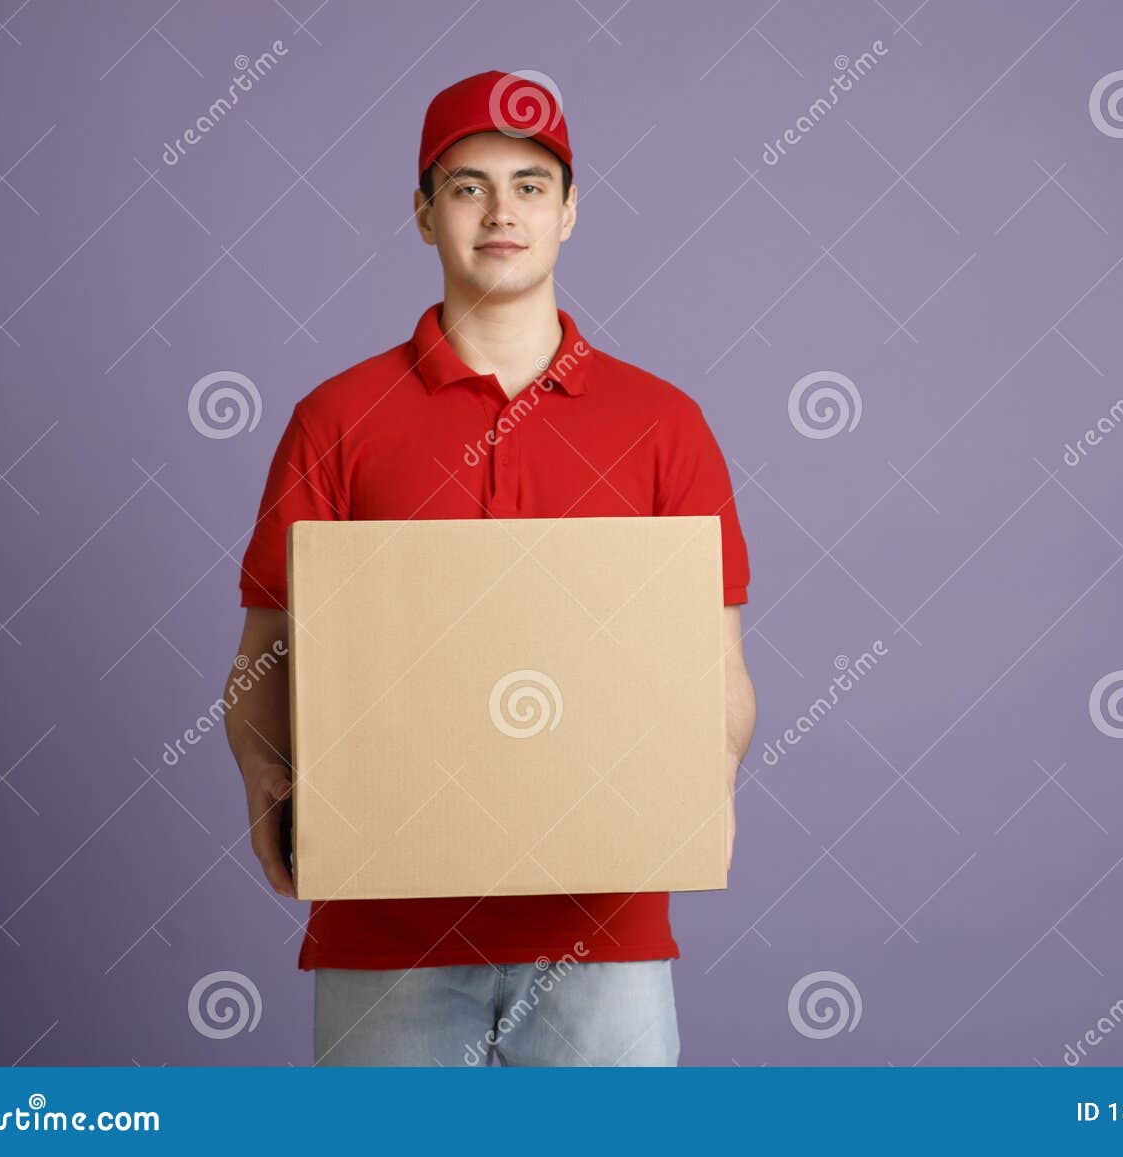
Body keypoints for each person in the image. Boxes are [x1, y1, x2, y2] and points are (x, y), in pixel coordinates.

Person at [222, 70, 755, 1067]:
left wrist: (687, 803)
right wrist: (265, 777)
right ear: (424, 216)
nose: (500, 210)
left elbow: (717, 670)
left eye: (529, 184)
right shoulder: (337, 420)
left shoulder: (660, 423)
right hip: (389, 933)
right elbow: (266, 655)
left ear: (568, 212)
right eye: (467, 186)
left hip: (604, 933)